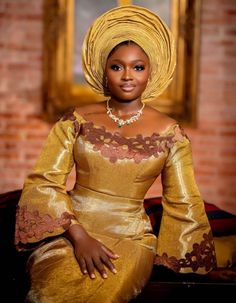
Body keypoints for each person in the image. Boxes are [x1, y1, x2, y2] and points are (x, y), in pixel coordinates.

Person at [15, 5, 217, 303]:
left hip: (130, 239)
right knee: (50, 292)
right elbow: (44, 182)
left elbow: (182, 199)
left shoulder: (170, 132)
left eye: (138, 67)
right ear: (104, 70)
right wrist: (80, 238)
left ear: (151, 72)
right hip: (70, 231)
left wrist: (190, 259)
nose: (127, 76)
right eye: (117, 66)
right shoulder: (76, 119)